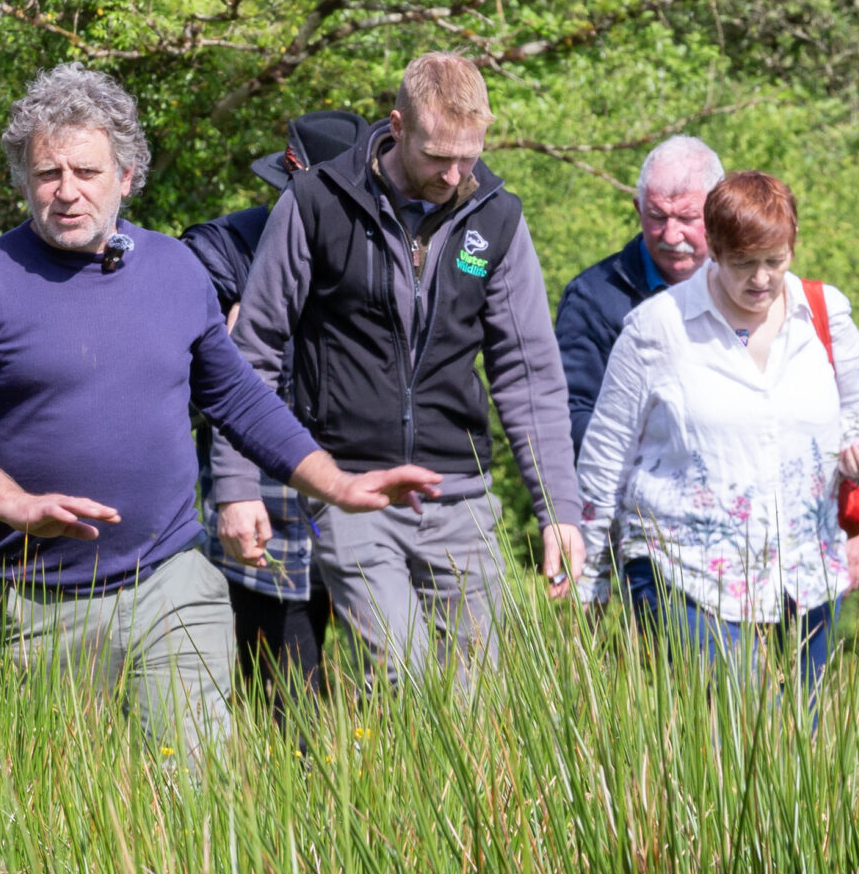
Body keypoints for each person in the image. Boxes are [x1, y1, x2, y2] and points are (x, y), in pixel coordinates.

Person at [0, 65, 439, 743]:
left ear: (126, 177)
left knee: (193, 793)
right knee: (62, 812)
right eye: (47, 174)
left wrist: (333, 480)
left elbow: (239, 396)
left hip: (172, 582)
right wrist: (13, 504)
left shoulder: (174, 270)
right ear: (22, 181)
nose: (66, 191)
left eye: (87, 172)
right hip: (37, 599)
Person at [213, 52, 582, 685]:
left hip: (459, 496)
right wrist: (236, 486)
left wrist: (559, 512)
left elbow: (528, 374)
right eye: (438, 156)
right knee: (401, 672)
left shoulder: (495, 217)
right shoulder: (317, 202)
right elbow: (252, 352)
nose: (454, 173)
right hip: (350, 486)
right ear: (397, 126)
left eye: (469, 154)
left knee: (480, 693)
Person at [576, 171, 859, 698]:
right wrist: (592, 579)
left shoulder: (826, 314)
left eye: (775, 261)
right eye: (744, 263)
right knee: (729, 730)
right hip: (685, 567)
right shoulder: (657, 330)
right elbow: (606, 457)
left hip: (804, 569)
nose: (761, 279)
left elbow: (855, 410)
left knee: (797, 747)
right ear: (713, 249)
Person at [180, 109, 369, 716]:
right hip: (264, 490)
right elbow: (199, 384)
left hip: (362, 480)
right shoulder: (221, 249)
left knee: (395, 683)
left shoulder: (379, 250)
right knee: (286, 697)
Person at [557, 134, 724, 453]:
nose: (672, 236)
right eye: (658, 218)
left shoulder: (750, 287)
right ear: (639, 208)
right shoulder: (593, 298)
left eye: (688, 219)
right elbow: (571, 415)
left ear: (720, 211)